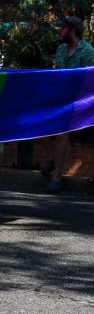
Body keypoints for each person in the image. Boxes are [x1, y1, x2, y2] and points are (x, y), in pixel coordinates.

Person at [43, 16, 94, 193]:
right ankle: (52, 157)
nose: (60, 31)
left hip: (79, 102)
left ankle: (56, 179)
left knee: (61, 134)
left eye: (63, 28)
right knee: (33, 122)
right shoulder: (61, 49)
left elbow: (89, 82)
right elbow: (58, 74)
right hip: (60, 98)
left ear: (72, 31)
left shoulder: (87, 52)